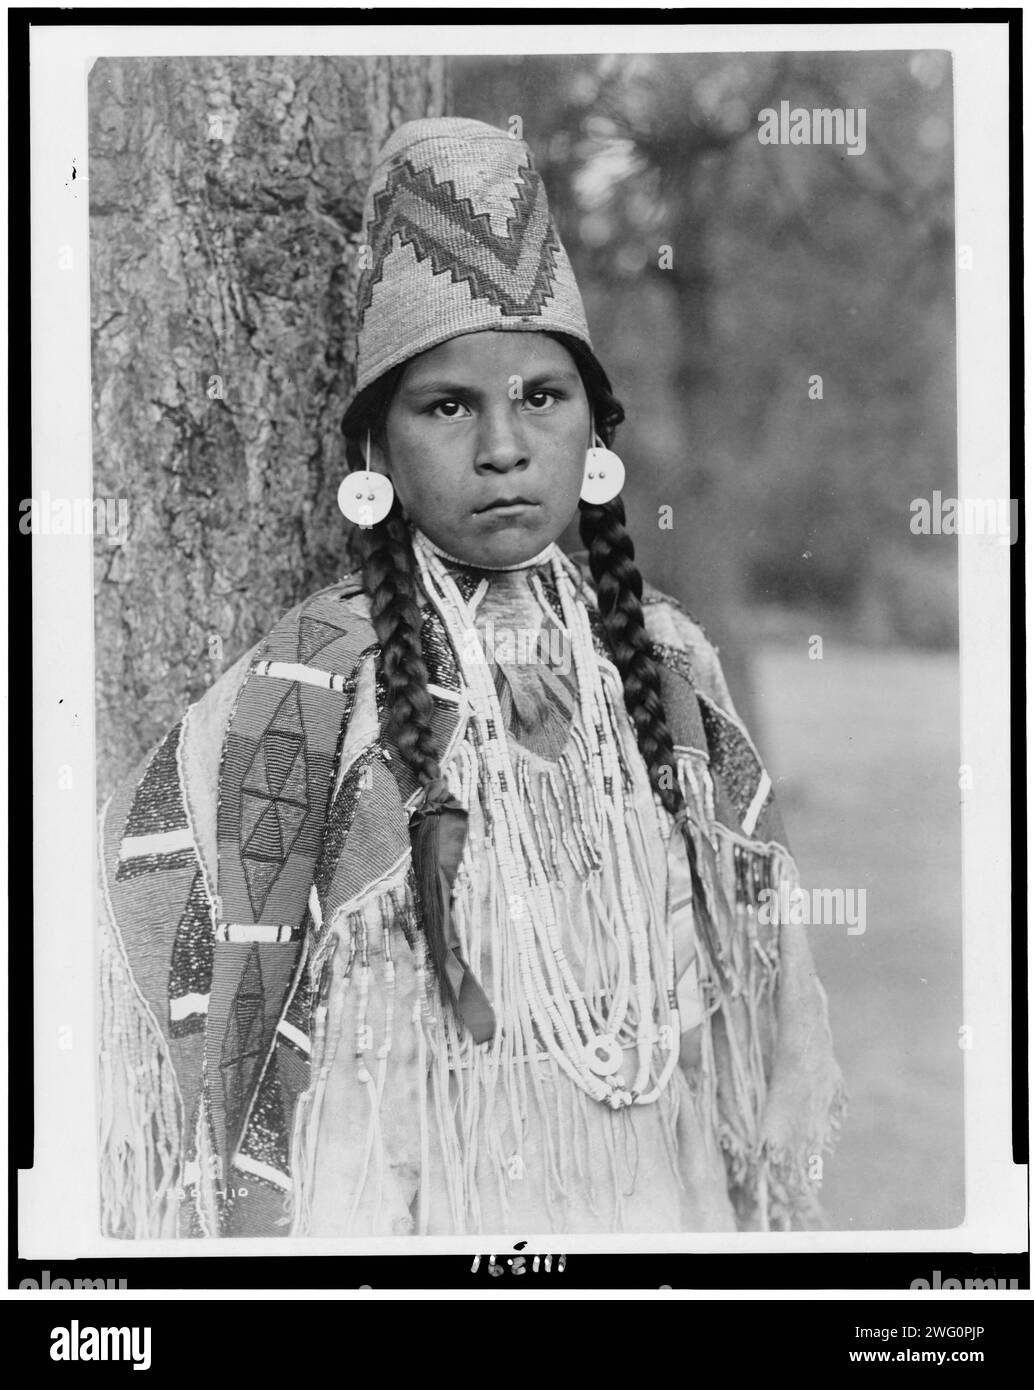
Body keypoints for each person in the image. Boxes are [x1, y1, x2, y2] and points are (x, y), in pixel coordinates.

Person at [98, 117, 844, 1239]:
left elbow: (745, 948)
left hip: (648, 1182)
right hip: (406, 1192)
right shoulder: (314, 677)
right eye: (448, 405)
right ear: (375, 453)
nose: (502, 444)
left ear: (596, 427)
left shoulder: (663, 663)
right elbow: (146, 886)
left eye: (540, 396)